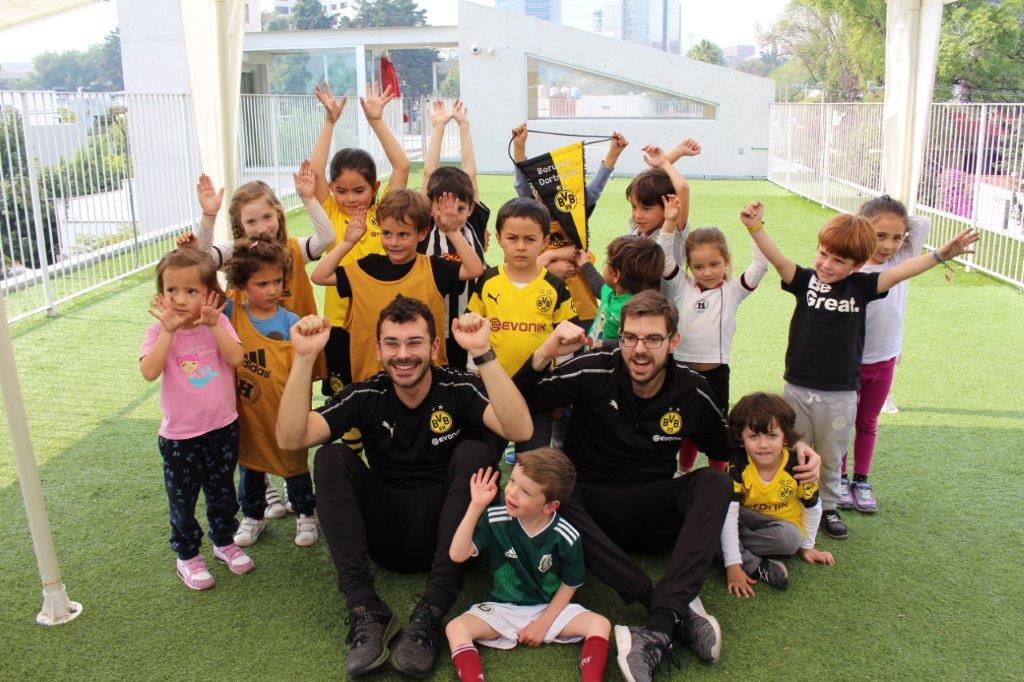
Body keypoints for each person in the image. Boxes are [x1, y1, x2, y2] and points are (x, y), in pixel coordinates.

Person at [512, 291, 822, 680]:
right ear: (620, 337)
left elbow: (731, 441)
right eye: (630, 338)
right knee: (555, 492)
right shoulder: (592, 369)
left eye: (653, 339)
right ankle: (663, 608)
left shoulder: (691, 389)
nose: (640, 350)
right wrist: (544, 352)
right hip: (589, 514)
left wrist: (794, 445)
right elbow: (517, 399)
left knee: (713, 483)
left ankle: (658, 626)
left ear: (673, 342)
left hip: (652, 510)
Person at [275, 297, 533, 678]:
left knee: (475, 452)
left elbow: (520, 431)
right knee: (329, 458)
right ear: (378, 350)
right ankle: (365, 609)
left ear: (433, 347)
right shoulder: (369, 394)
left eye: (414, 342)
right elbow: (290, 437)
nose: (403, 354)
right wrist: (303, 359)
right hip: (389, 537)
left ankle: (429, 615)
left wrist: (482, 351)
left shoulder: (458, 386)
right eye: (392, 344)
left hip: (453, 536)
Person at [742, 201, 978, 539]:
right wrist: (755, 226)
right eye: (823, 254)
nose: (826, 264)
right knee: (793, 447)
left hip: (839, 394)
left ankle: (828, 505)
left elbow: (902, 271)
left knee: (831, 451)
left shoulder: (862, 287)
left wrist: (941, 254)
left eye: (839, 260)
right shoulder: (804, 280)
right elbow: (777, 257)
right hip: (796, 387)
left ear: (856, 265)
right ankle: (792, 500)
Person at [192, 163, 331, 517]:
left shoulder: (293, 247)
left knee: (291, 413)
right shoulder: (235, 252)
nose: (260, 226)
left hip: (291, 351)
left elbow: (327, 239)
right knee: (250, 419)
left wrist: (308, 198)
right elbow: (200, 258)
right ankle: (263, 488)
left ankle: (290, 479)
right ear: (240, 225)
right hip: (249, 354)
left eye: (266, 217)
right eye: (251, 221)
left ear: (278, 214)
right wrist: (208, 217)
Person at [139, 245, 251, 590]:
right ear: (161, 296)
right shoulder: (159, 333)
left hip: (221, 428)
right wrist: (169, 331)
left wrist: (215, 324)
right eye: (171, 290)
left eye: (191, 291)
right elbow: (149, 371)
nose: (180, 299)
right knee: (183, 500)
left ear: (210, 295)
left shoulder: (218, 324)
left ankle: (224, 542)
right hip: (179, 437)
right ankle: (187, 555)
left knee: (222, 492)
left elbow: (236, 357)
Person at [445, 450, 611, 682]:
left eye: (525, 491)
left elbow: (571, 582)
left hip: (549, 610)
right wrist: (475, 506)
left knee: (600, 624)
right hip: (502, 608)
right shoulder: (495, 517)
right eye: (512, 480)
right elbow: (457, 554)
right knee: (456, 628)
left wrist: (543, 624)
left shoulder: (565, 535)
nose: (511, 492)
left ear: (549, 506)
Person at [310, 188, 484, 383]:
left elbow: (475, 269)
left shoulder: (433, 268)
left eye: (403, 235)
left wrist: (451, 231)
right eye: (386, 233)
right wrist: (347, 242)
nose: (393, 242)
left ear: (422, 233)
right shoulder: (366, 267)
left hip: (426, 381)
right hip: (371, 382)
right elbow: (319, 276)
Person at [309, 81, 410, 395]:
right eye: (341, 191)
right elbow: (313, 173)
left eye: (359, 190)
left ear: (375, 187)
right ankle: (350, 444)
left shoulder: (385, 213)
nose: (350, 198)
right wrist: (329, 122)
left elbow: (402, 166)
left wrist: (376, 121)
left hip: (384, 318)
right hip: (340, 322)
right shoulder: (332, 215)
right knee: (345, 390)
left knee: (384, 386)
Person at [657, 198, 769, 476]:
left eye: (714, 264)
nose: (707, 272)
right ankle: (682, 472)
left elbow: (760, 266)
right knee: (679, 425)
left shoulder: (732, 291)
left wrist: (754, 227)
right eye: (698, 266)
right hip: (679, 370)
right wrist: (669, 222)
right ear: (690, 267)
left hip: (715, 374)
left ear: (726, 261)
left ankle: (718, 478)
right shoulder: (681, 287)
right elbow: (664, 257)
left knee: (717, 431)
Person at [221, 235, 317, 549]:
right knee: (250, 468)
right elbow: (203, 278)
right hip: (249, 416)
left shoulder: (292, 322)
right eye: (262, 284)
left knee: (295, 466)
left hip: (284, 415)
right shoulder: (231, 315)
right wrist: (204, 231)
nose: (272, 289)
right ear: (241, 284)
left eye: (277, 281)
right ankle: (253, 516)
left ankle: (305, 513)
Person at [839, 196, 932, 513]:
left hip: (884, 361)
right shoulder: (852, 266)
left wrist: (897, 220)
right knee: (843, 422)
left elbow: (923, 224)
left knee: (868, 422)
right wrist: (859, 223)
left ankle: (861, 480)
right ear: (865, 230)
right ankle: (838, 478)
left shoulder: (901, 261)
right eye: (881, 236)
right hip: (849, 363)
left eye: (897, 237)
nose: (890, 245)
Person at [466, 198, 579, 459]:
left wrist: (560, 394)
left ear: (544, 241)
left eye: (530, 239)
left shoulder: (554, 286)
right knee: (483, 459)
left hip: (538, 391)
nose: (520, 246)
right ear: (499, 238)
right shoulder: (488, 280)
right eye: (512, 238)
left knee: (534, 462)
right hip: (492, 388)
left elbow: (564, 343)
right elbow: (473, 331)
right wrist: (474, 376)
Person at [511, 123, 629, 328]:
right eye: (538, 193)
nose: (543, 199)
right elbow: (521, 184)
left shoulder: (575, 214)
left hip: (582, 305)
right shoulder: (532, 217)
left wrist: (613, 153)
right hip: (544, 307)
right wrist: (519, 148)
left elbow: (595, 189)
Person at [720, 393, 835, 599]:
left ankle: (726, 547)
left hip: (781, 531)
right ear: (741, 438)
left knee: (790, 539)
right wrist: (733, 565)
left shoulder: (798, 465)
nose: (763, 444)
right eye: (754, 436)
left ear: (785, 438)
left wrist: (807, 547)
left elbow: (813, 506)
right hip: (745, 519)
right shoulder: (738, 465)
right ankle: (753, 564)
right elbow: (730, 514)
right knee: (714, 518)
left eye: (772, 436)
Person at [420, 99, 492, 370]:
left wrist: (464, 127)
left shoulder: (472, 222)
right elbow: (428, 175)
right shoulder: (425, 228)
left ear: (471, 206)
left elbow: (470, 174)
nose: (451, 214)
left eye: (460, 208)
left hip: (468, 323)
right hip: (432, 326)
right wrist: (438, 127)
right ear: (430, 205)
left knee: (468, 380)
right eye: (442, 206)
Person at [579, 235, 664, 348]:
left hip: (607, 362)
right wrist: (585, 265)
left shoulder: (637, 310)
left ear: (616, 275)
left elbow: (632, 342)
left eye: (607, 262)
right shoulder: (612, 292)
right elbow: (598, 286)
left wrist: (599, 344)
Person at [626, 139, 701, 265]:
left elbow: (682, 188)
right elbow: (643, 183)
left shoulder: (674, 231)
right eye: (634, 207)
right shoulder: (637, 228)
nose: (637, 215)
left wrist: (664, 162)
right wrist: (678, 151)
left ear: (668, 206)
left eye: (646, 208)